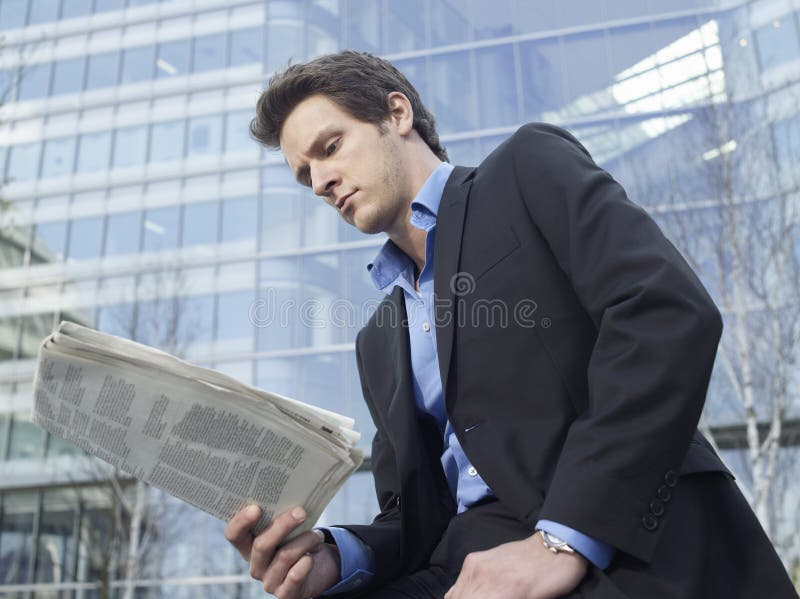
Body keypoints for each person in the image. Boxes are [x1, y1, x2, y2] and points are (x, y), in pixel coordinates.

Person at [224, 50, 798, 599]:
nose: (321, 181)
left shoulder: (525, 171)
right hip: (464, 568)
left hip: (616, 548)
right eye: (306, 175)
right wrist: (337, 555)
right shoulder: (377, 339)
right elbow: (413, 514)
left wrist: (561, 541)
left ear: (396, 113)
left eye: (330, 147)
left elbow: (665, 314)